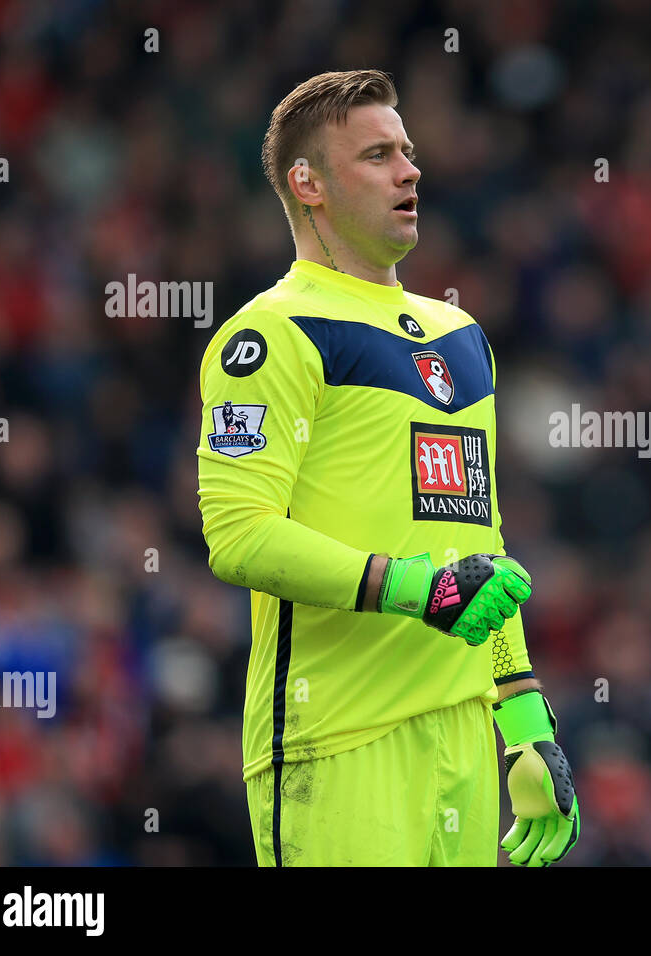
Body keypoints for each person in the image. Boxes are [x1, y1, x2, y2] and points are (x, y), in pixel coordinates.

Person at [195, 69, 579, 866]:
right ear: (310, 184)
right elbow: (238, 537)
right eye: (377, 155)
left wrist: (525, 723)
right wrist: (413, 588)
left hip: (464, 737)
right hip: (337, 737)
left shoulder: (461, 336)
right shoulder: (269, 334)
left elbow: (483, 544)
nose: (410, 171)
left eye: (407, 151)